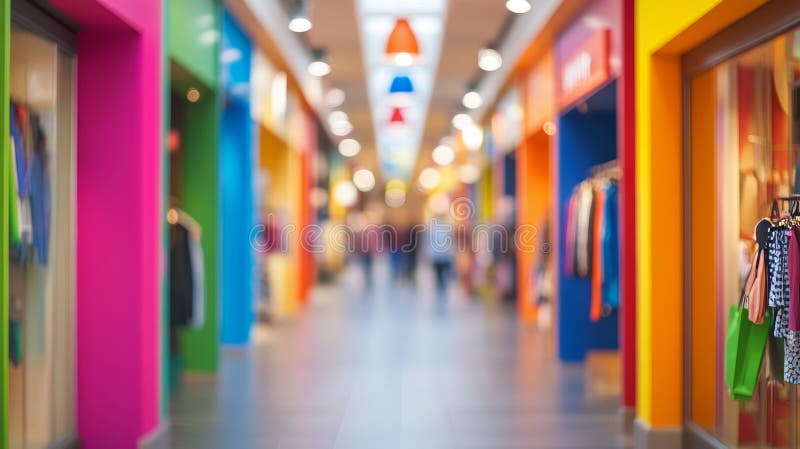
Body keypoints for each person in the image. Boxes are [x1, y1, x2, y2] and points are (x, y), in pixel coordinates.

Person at [426, 216, 453, 294]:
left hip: (438, 255)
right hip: (443, 255)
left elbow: (428, 243)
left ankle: (440, 285)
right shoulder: (447, 228)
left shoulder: (432, 229)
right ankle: (441, 285)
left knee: (439, 272)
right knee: (442, 272)